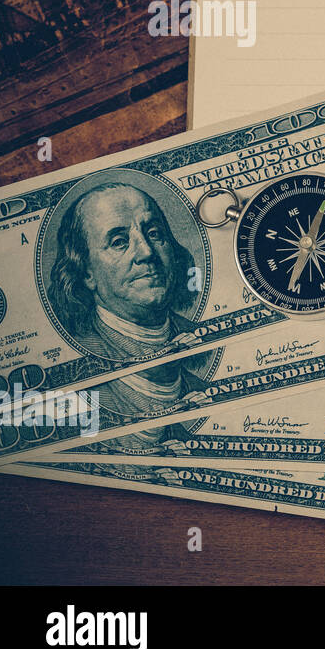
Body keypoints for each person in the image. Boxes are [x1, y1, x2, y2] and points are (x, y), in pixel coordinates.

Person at [48, 181, 212, 451]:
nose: (147, 252)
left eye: (155, 233)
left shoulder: (203, 347)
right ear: (86, 271)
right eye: (119, 242)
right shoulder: (76, 373)